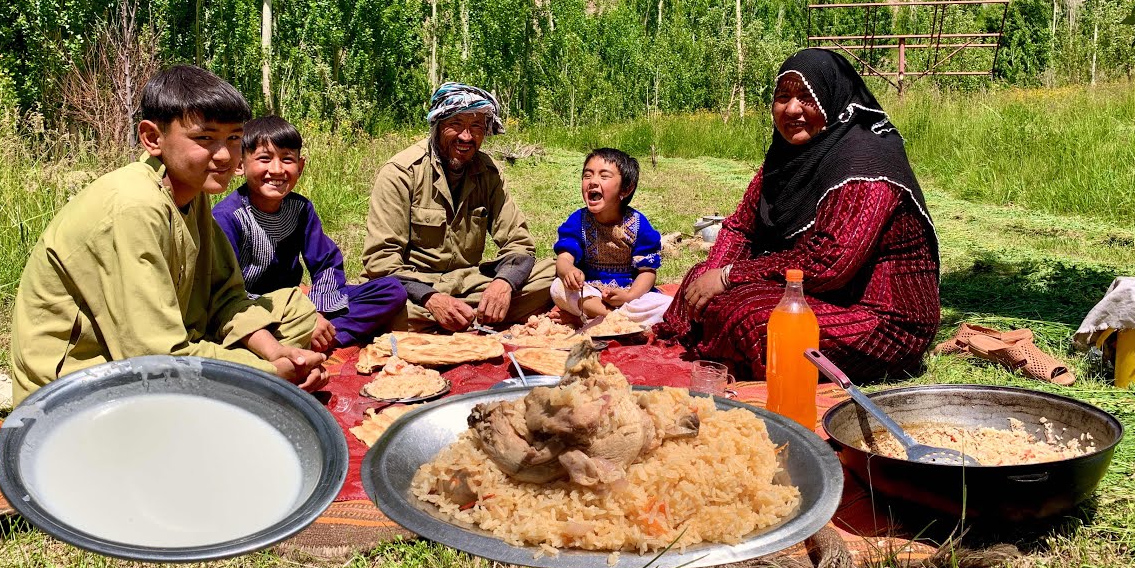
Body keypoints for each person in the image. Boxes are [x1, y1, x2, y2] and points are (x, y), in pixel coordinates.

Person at [10, 66, 331, 405]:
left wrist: (278, 352)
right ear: (152, 138)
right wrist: (268, 374)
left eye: (234, 138)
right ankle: (245, 391)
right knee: (184, 390)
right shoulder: (133, 208)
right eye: (205, 138)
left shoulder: (192, 192)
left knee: (295, 309)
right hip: (80, 383)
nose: (224, 155)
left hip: (168, 340)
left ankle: (245, 384)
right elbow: (153, 355)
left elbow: (226, 296)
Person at [654, 49, 940, 381]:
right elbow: (741, 228)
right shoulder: (787, 156)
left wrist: (730, 276)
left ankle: (720, 351)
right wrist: (714, 271)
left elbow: (830, 263)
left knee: (749, 317)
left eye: (807, 97)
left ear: (833, 98)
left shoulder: (866, 160)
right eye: (782, 97)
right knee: (698, 277)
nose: (792, 109)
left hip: (881, 319)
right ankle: (689, 345)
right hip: (818, 295)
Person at [362, 82, 555, 332]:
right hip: (415, 289)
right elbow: (381, 260)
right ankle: (474, 318)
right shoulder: (401, 172)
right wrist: (432, 299)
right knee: (378, 305)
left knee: (551, 274)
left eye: (476, 126)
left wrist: (503, 284)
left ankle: (462, 317)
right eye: (456, 125)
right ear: (438, 126)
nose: (466, 137)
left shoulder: (489, 172)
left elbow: (519, 243)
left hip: (469, 282)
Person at [213, 116, 407, 346]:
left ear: (300, 166)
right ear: (239, 165)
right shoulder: (228, 217)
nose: (276, 169)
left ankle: (319, 337)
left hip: (300, 302)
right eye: (264, 159)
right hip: (252, 310)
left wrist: (320, 311)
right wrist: (300, 315)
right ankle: (306, 340)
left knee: (391, 291)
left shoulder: (300, 208)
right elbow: (227, 295)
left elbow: (326, 263)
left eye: (287, 159)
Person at [551, 148, 672, 326]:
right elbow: (563, 258)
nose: (593, 181)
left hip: (630, 296)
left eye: (604, 176)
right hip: (592, 293)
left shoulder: (639, 224)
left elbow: (647, 272)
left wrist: (629, 295)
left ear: (626, 189)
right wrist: (569, 271)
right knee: (558, 288)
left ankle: (599, 318)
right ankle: (620, 321)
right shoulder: (578, 221)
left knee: (666, 305)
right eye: (587, 175)